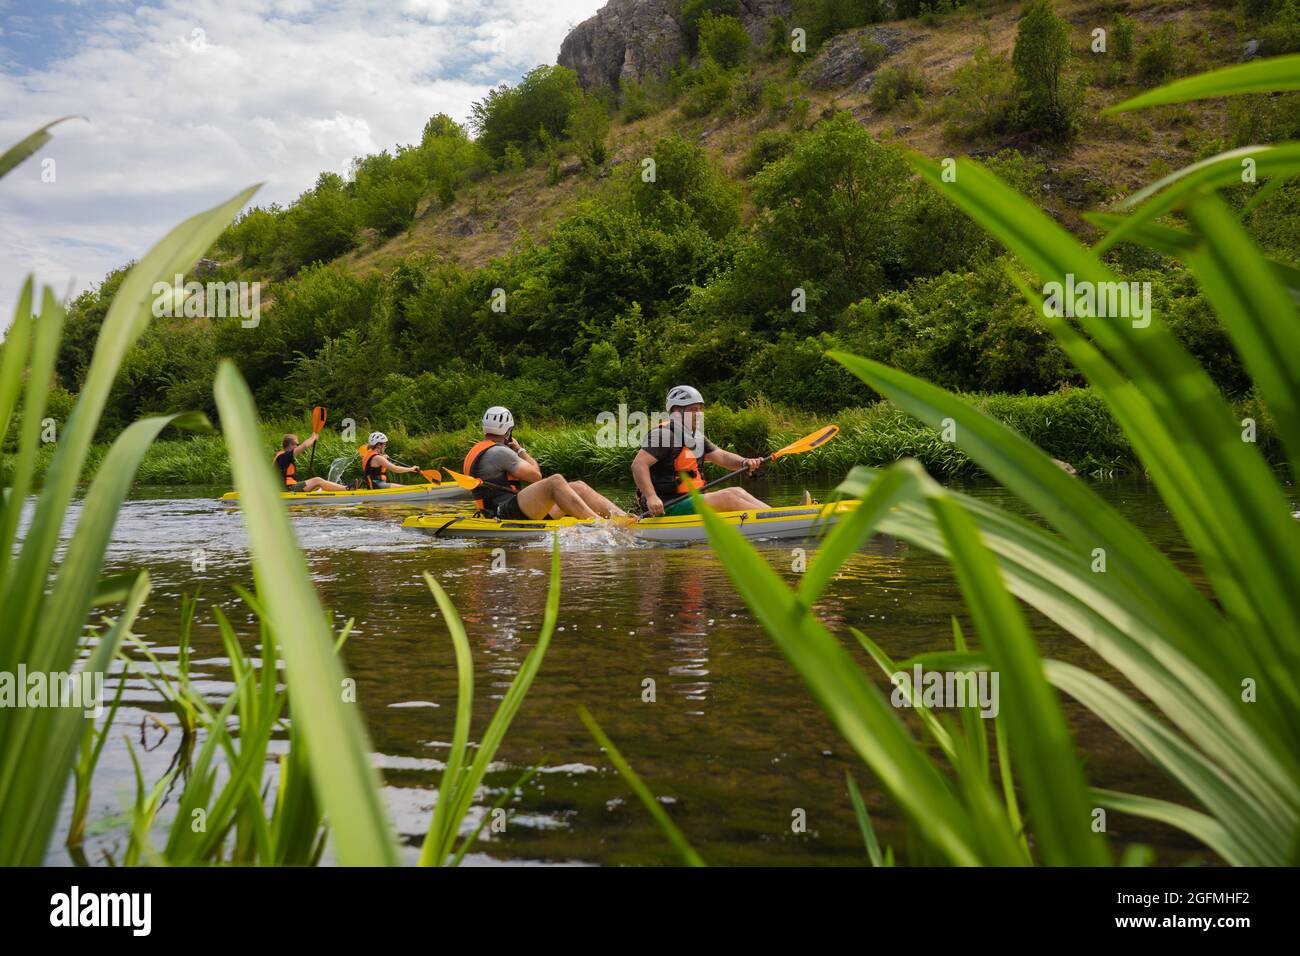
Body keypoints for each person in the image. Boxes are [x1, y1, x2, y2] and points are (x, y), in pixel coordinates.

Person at [465, 406, 627, 520]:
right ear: (509, 431)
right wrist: (520, 449)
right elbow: (536, 476)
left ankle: (624, 518)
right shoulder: (500, 452)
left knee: (578, 487)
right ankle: (602, 525)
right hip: (503, 513)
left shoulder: (478, 450)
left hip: (510, 509)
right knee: (555, 481)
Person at [632, 385, 770, 517]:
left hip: (690, 499)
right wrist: (651, 497)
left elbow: (721, 456)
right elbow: (638, 465)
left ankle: (781, 516)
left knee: (737, 491)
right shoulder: (664, 435)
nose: (698, 414)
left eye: (699, 409)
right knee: (728, 497)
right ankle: (777, 521)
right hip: (666, 505)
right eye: (693, 409)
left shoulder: (695, 437)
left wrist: (744, 462)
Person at [274, 433, 346, 493]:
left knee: (317, 485)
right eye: (297, 444)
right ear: (290, 445)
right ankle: (347, 489)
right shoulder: (283, 456)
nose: (297, 446)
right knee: (317, 480)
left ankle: (344, 488)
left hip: (287, 487)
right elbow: (304, 446)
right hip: (286, 489)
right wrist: (313, 437)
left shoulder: (283, 457)